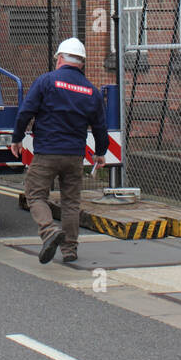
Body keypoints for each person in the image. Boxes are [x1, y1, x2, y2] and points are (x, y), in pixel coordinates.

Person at [11, 38, 108, 265]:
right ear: (81, 63)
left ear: (61, 58)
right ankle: (70, 250)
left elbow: (26, 111)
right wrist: (100, 152)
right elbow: (100, 127)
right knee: (71, 202)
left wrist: (17, 138)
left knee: (35, 194)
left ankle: (48, 231)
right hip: (74, 155)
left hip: (47, 151)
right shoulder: (92, 92)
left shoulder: (46, 81)